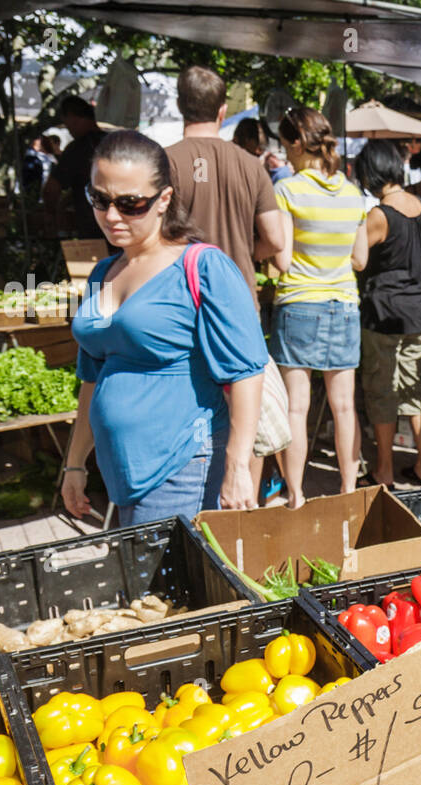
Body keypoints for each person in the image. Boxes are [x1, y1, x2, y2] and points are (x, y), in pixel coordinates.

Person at [62, 131, 267, 527]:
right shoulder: (103, 272)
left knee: (163, 586)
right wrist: (74, 464)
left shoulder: (204, 267)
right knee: (145, 585)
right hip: (120, 473)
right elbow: (92, 377)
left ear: (164, 200)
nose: (112, 216)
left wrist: (238, 466)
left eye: (130, 204)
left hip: (181, 464)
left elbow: (246, 372)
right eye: (100, 200)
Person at [272, 107, 368, 507]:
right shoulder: (353, 193)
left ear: (296, 143)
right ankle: (348, 492)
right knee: (344, 406)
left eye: (284, 144)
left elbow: (282, 259)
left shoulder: (288, 191)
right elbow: (360, 259)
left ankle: (295, 496)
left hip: (299, 304)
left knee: (296, 407)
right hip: (344, 305)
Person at [352, 140, 421, 488]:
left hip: (382, 315)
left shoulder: (378, 216)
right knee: (414, 390)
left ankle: (384, 469)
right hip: (416, 314)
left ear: (371, 173)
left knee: (382, 391)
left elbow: (357, 259)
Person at [166, 66, 285, 293]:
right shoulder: (252, 166)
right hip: (238, 297)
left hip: (181, 298)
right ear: (223, 111)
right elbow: (276, 241)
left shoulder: (163, 162)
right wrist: (244, 251)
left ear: (180, 106)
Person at [42, 95, 106, 239]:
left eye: (67, 124)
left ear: (72, 117)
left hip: (92, 229)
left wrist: (50, 216)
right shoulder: (115, 143)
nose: (68, 130)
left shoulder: (78, 148)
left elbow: (51, 190)